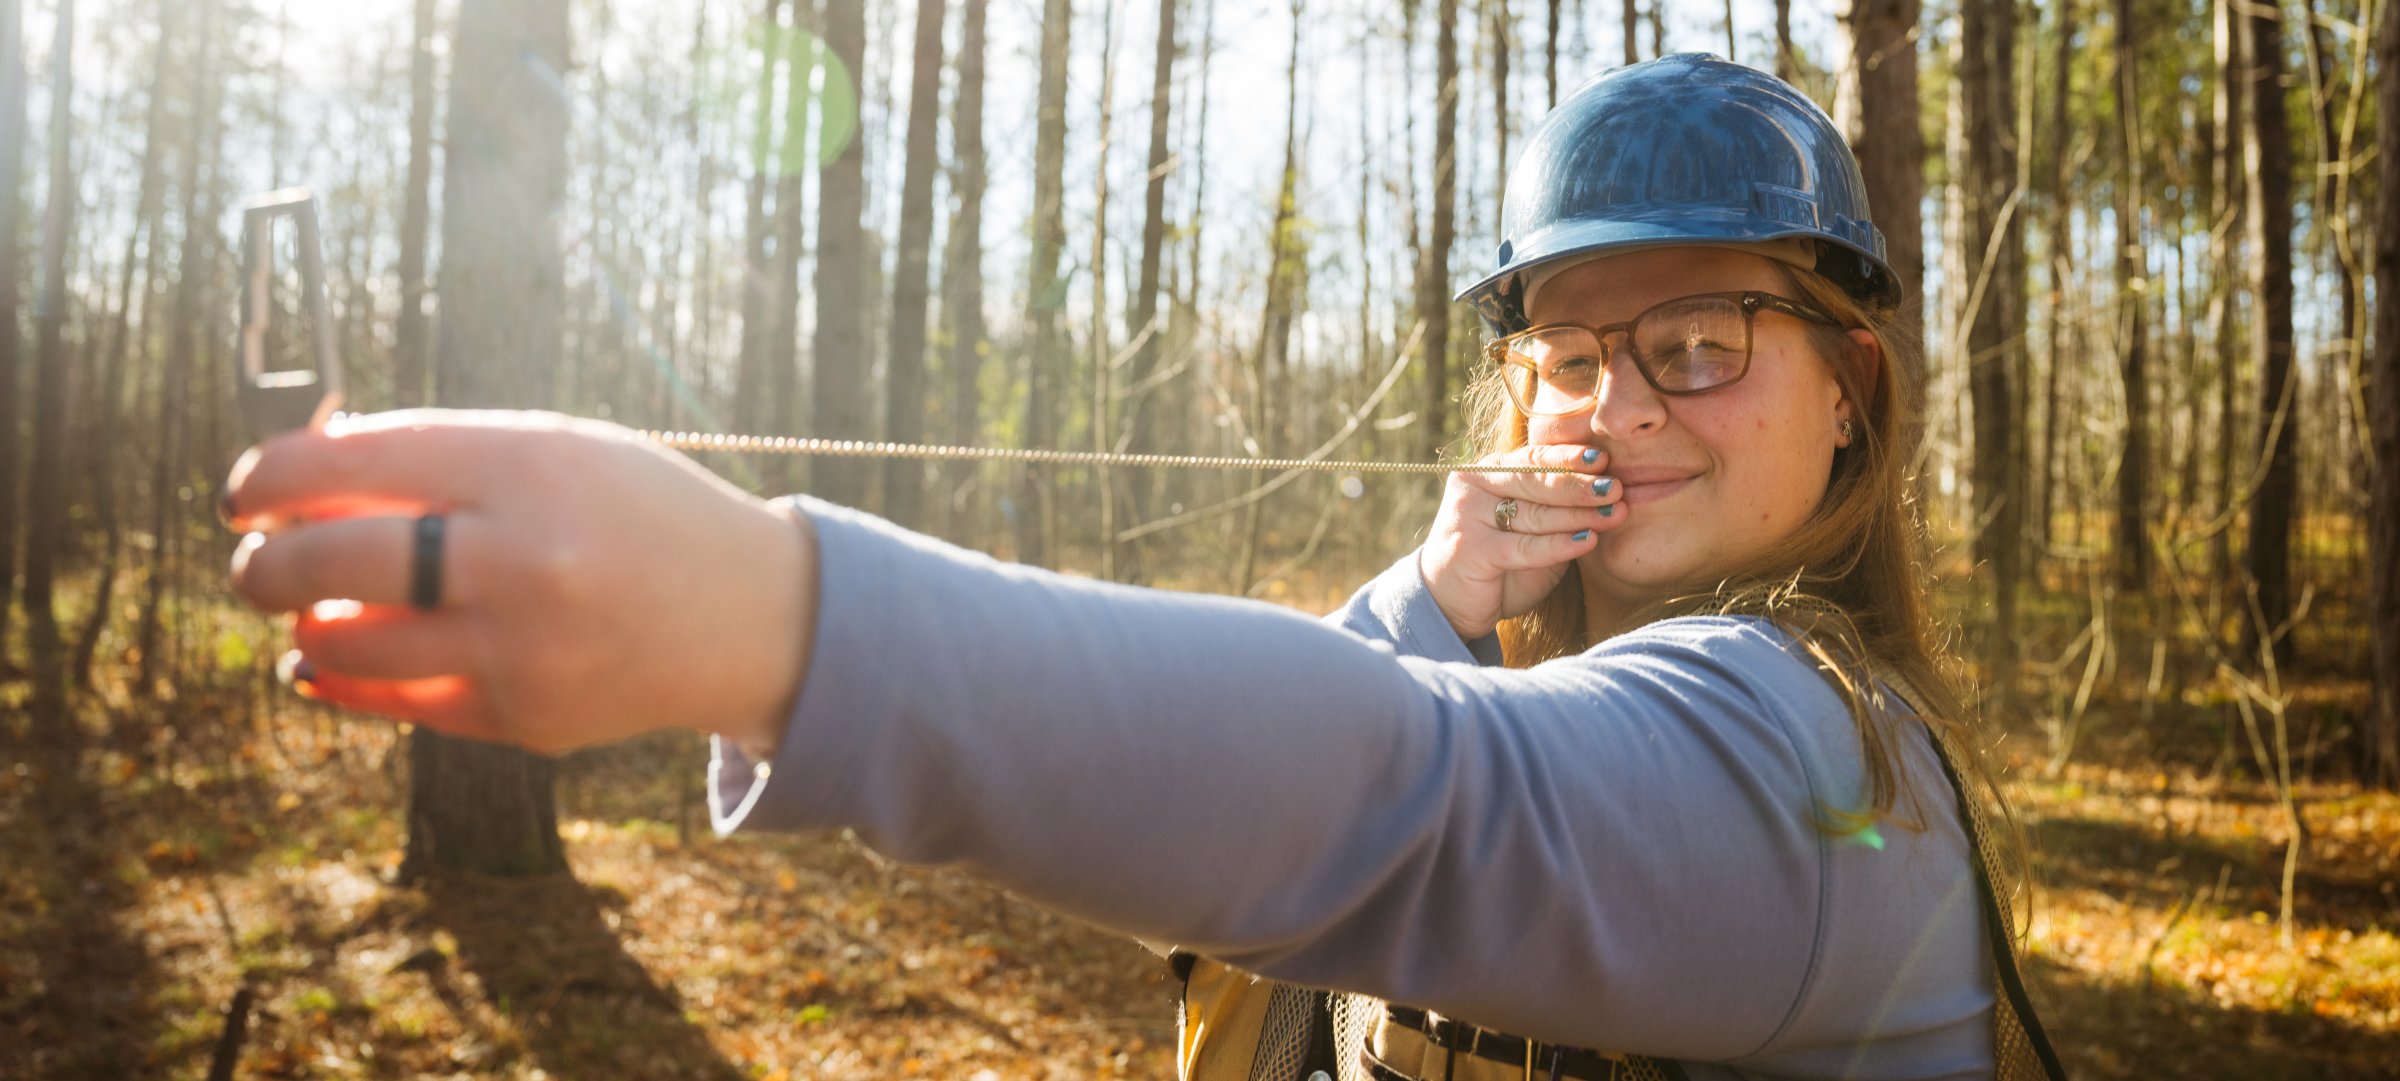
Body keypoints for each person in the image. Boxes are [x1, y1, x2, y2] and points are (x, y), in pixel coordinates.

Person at [225, 54, 2062, 1081]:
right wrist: (1425, 600)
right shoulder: (1545, 676)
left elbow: (1405, 809)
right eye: (1575, 352)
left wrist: (769, 621)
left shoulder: (1819, 764)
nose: (1622, 406)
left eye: (1706, 337)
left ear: (1851, 390)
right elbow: (1293, 927)